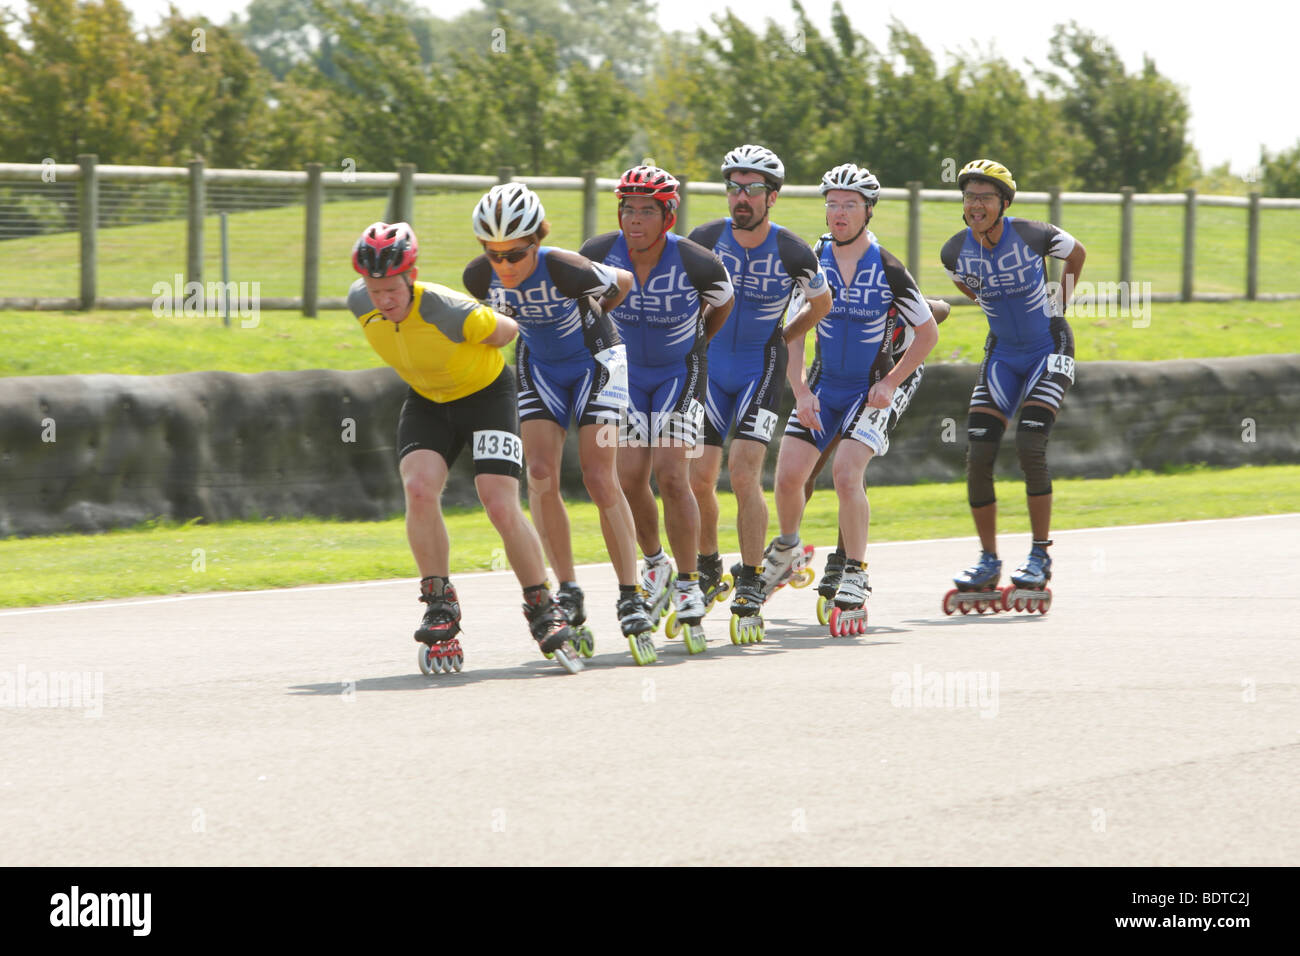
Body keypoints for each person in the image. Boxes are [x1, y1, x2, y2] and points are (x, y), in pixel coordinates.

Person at [347, 220, 578, 672]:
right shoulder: (360, 302)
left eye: (392, 289)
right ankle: (439, 602)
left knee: (498, 502)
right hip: (428, 402)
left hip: (486, 397)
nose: (384, 300)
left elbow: (508, 330)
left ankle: (542, 605)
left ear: (412, 277)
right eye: (375, 291)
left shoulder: (447, 309)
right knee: (418, 488)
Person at [461, 182, 654, 657]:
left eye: (515, 253)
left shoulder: (566, 268)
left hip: (598, 362)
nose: (505, 265)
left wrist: (592, 316)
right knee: (541, 474)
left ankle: (631, 593)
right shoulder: (477, 277)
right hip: (541, 367)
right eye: (494, 253)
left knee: (599, 477)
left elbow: (623, 283)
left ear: (537, 240)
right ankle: (567, 589)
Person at [760, 164, 939, 626]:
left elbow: (928, 333)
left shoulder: (889, 269)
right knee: (788, 475)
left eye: (850, 205)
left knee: (845, 472)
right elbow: (793, 332)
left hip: (872, 387)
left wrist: (890, 383)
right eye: (832, 204)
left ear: (868, 211)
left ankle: (855, 572)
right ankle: (788, 550)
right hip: (825, 384)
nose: (839, 213)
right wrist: (801, 390)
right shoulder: (812, 261)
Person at [579, 165, 735, 658]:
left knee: (671, 475)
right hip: (625, 374)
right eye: (628, 208)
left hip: (679, 372)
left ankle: (688, 584)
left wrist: (697, 343)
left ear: (668, 216)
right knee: (627, 479)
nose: (635, 219)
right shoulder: (597, 254)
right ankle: (656, 565)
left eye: (647, 210)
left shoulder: (697, 261)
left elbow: (723, 304)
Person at [686, 144, 832, 625]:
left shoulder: (793, 250)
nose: (741, 197)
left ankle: (750, 577)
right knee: (698, 477)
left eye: (752, 189)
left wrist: (786, 336)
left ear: (772, 197)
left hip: (760, 367)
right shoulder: (704, 239)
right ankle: (708, 565)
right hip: (711, 366)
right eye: (733, 187)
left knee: (743, 473)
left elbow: (822, 303)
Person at [939, 159, 1087, 600]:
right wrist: (991, 302)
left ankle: (1040, 554)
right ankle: (988, 560)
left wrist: (1059, 303)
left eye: (985, 197)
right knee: (979, 452)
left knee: (1028, 443)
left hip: (1048, 348)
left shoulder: (1032, 234)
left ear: (1003, 203)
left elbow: (1077, 254)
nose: (976, 205)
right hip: (1002, 354)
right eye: (969, 197)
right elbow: (966, 284)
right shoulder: (953, 251)